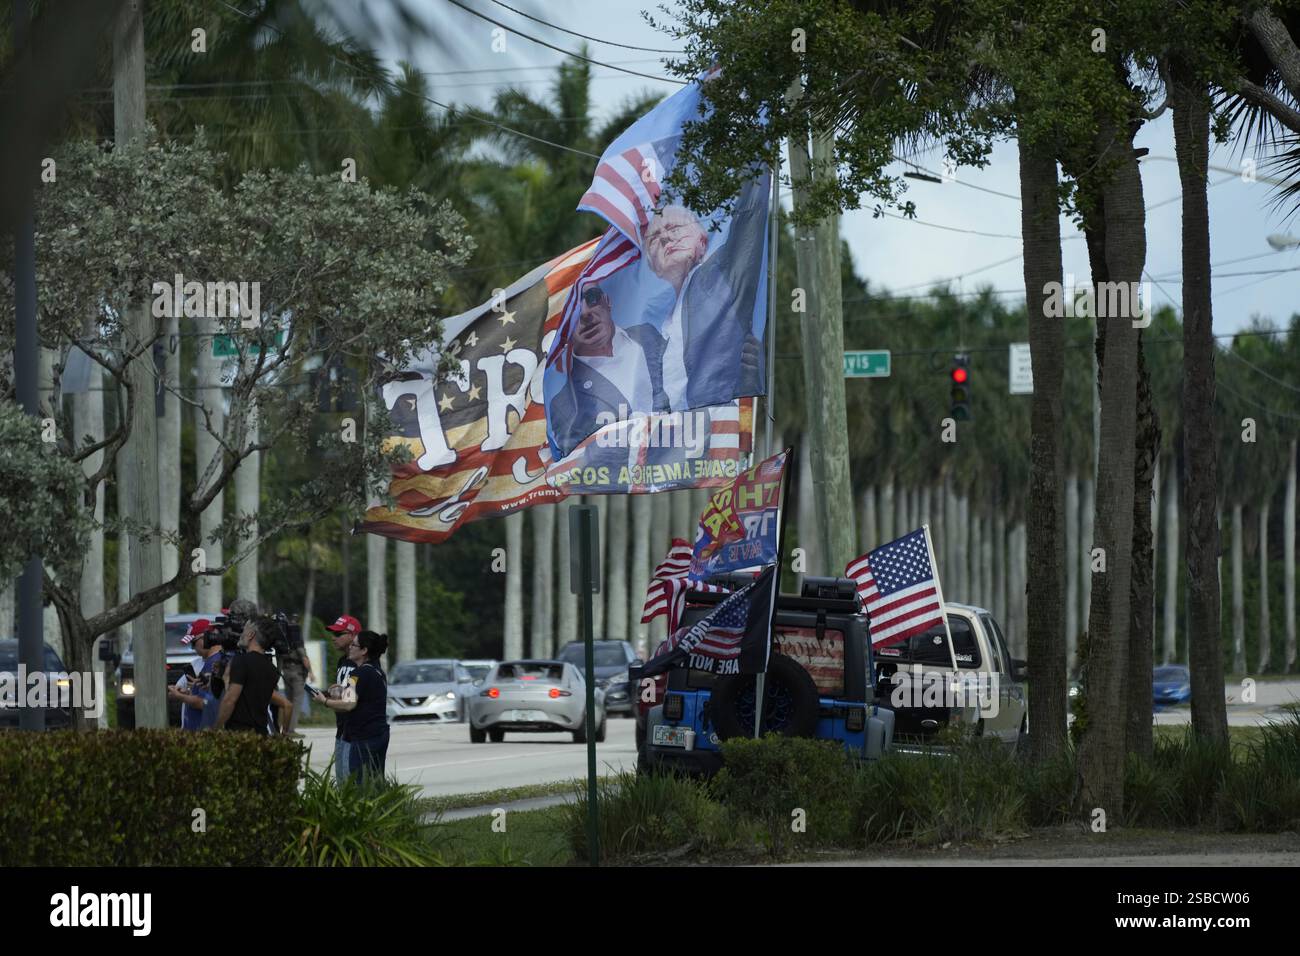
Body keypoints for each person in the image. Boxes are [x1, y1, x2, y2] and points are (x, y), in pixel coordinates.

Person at [642, 189, 765, 411]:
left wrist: (757, 169)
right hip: (671, 433)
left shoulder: (721, 274)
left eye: (674, 228)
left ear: (702, 241)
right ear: (653, 265)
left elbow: (749, 222)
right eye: (654, 239)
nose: (665, 237)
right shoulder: (646, 321)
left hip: (720, 420)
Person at [547, 285, 668, 456]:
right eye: (571, 308)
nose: (584, 313)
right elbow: (583, 472)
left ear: (607, 301)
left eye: (591, 298)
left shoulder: (648, 336)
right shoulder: (564, 405)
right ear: (561, 327)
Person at [315, 631, 390, 784]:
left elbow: (349, 704)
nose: (350, 647)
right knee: (375, 784)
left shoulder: (358, 673)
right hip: (379, 733)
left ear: (364, 651)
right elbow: (363, 697)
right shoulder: (377, 671)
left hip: (362, 738)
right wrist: (342, 690)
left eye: (354, 645)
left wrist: (325, 701)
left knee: (355, 786)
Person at [213, 616, 293, 735]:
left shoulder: (241, 661)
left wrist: (216, 729)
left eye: (244, 630)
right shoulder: (272, 669)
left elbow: (230, 700)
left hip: (239, 736)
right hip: (261, 735)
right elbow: (252, 696)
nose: (241, 634)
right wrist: (284, 734)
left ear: (250, 635)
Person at [324, 614, 362, 781]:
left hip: (356, 731)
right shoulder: (342, 661)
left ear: (352, 636)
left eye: (339, 634)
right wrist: (335, 689)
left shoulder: (360, 663)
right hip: (342, 728)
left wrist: (325, 701)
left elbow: (356, 697)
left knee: (350, 783)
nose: (334, 638)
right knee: (341, 781)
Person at [169, 619, 221, 731]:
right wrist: (189, 692)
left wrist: (180, 696)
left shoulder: (215, 663)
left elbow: (204, 703)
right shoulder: (207, 661)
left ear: (205, 638)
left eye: (193, 643)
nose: (193, 648)